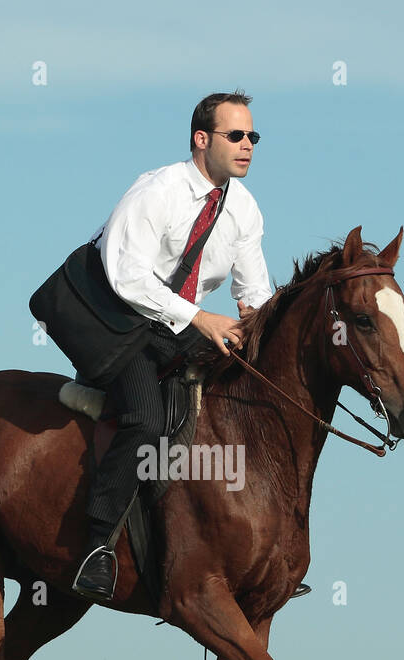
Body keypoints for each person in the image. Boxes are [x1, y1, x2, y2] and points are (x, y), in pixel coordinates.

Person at [70, 90, 273, 601]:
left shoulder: (244, 208)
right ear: (202, 140)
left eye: (253, 136)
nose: (248, 145)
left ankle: (242, 551)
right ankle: (97, 545)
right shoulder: (157, 191)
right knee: (148, 419)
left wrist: (262, 331)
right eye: (236, 136)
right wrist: (202, 318)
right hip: (113, 315)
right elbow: (128, 277)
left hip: (173, 323)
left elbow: (253, 296)